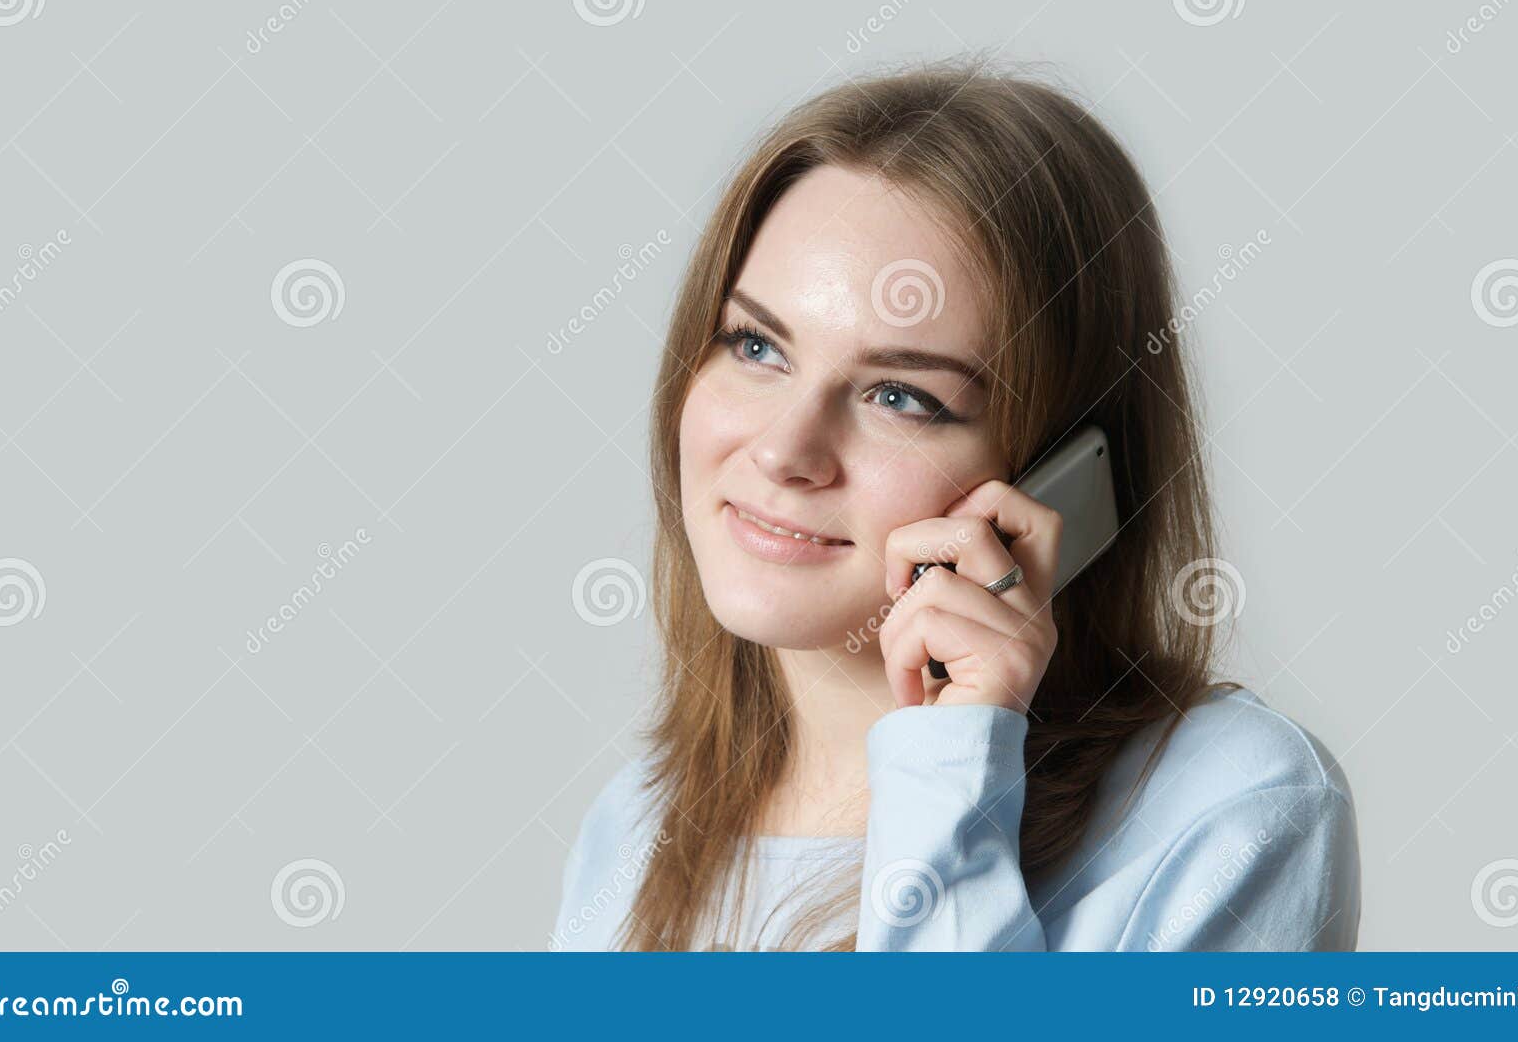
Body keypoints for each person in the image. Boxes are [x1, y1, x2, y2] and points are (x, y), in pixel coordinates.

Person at [549, 57, 1360, 951]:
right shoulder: (635, 827)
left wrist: (954, 761)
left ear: (1060, 473)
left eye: (900, 396)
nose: (783, 451)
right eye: (755, 345)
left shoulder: (1227, 803)